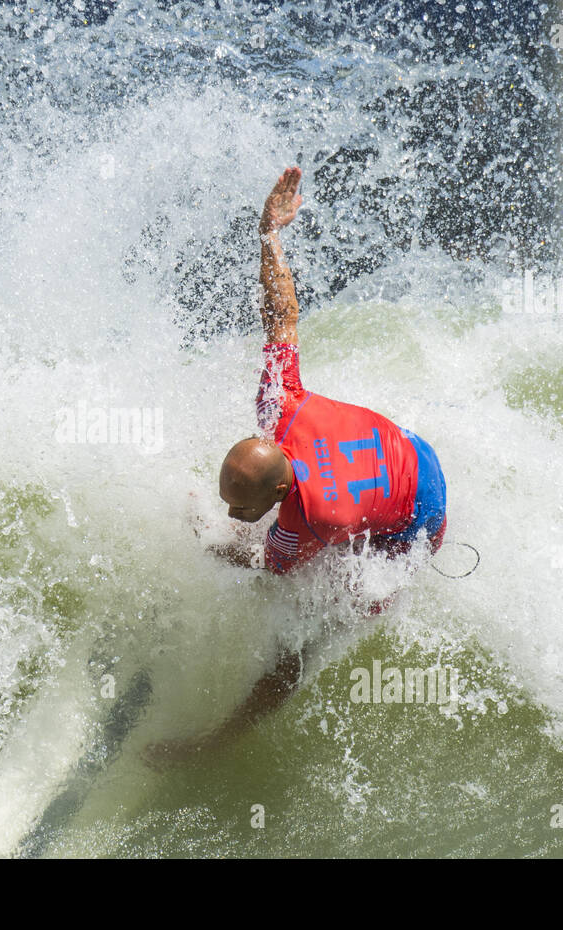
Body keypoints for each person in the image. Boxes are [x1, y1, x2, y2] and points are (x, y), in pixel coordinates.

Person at [145, 167, 448, 767]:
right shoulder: (280, 406)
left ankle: (214, 745)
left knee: (298, 645)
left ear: (281, 494)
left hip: (418, 519)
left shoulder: (310, 520)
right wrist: (269, 235)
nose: (235, 512)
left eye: (242, 508)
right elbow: (281, 314)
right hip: (411, 448)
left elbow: (263, 564)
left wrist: (209, 535)